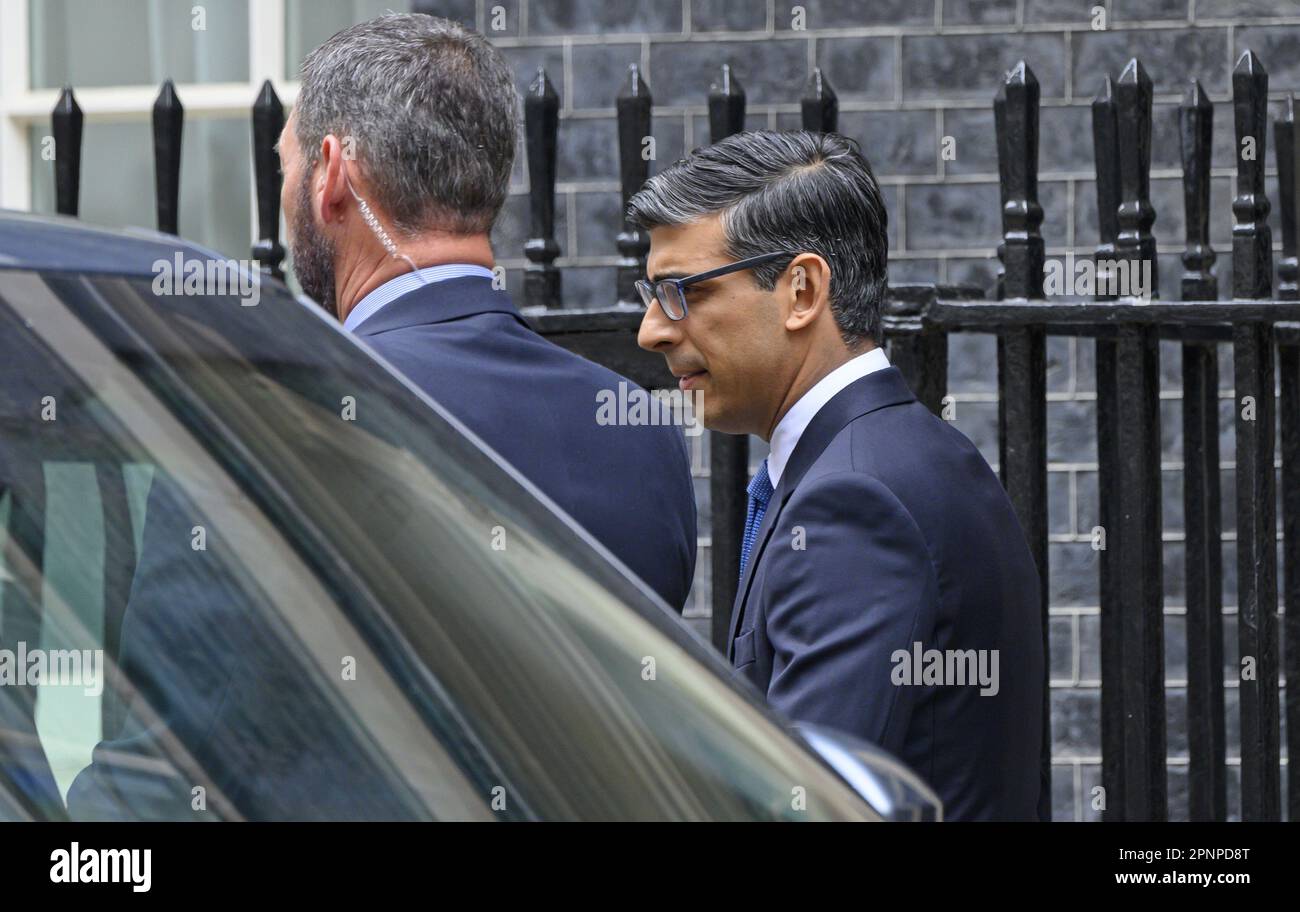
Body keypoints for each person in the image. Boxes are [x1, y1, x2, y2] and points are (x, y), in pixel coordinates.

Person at [628, 130, 1045, 821]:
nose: (651, 330)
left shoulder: (853, 503)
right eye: (652, 292)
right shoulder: (906, 457)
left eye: (681, 293)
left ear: (802, 290)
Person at [277, 13, 696, 611]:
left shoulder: (276, 412)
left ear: (333, 173)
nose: (284, 193)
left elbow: (178, 684)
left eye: (287, 166)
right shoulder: (643, 434)